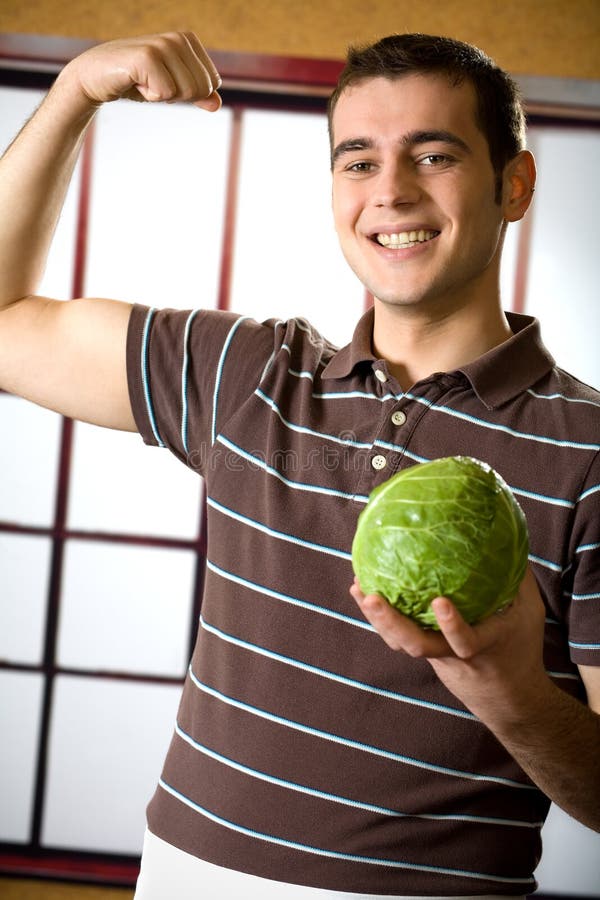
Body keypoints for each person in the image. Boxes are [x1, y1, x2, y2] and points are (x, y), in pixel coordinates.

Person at [0, 29, 598, 900]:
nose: (390, 192)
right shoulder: (250, 373)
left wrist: (506, 690)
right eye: (358, 162)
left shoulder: (590, 454)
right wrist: (71, 97)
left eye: (433, 155)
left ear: (515, 184)